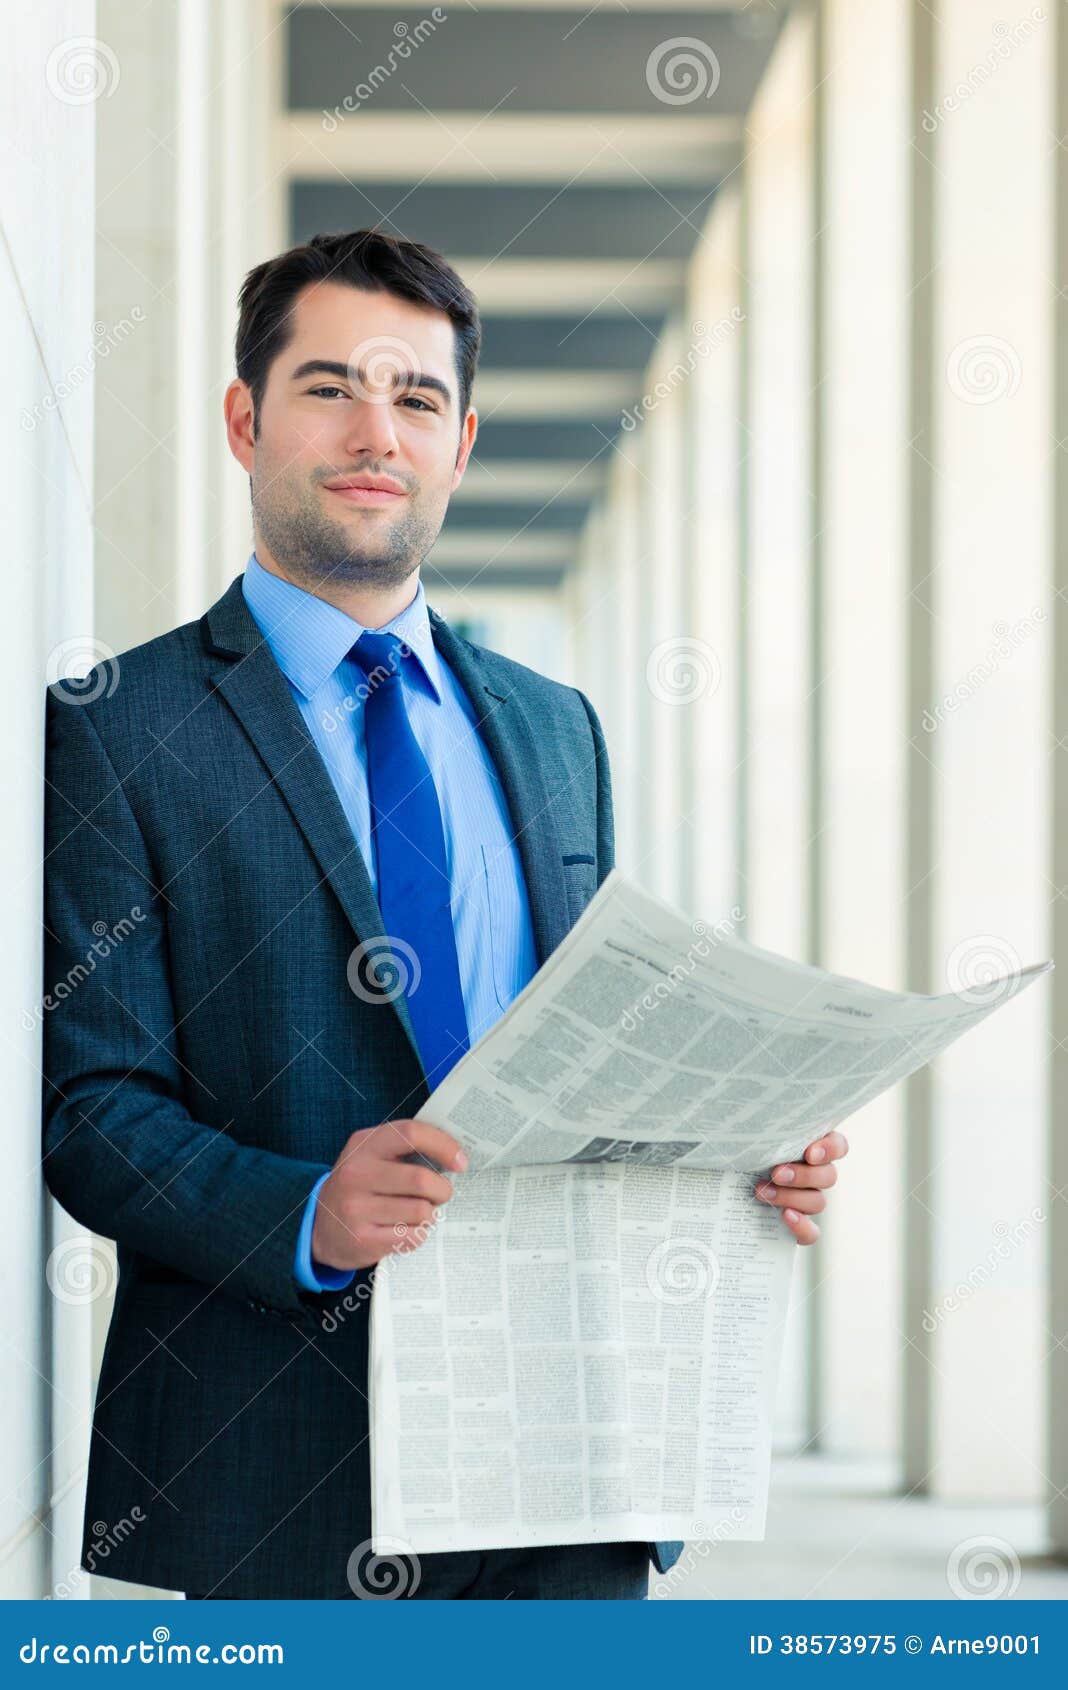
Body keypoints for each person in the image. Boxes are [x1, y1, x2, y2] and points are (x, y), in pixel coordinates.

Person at [42, 228, 849, 1600]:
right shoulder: (123, 730)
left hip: (572, 1454)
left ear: (461, 443)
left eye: (416, 398)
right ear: (245, 419)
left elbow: (598, 1047)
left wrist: (745, 1151)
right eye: (329, 387)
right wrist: (307, 1209)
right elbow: (91, 1107)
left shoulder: (553, 729)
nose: (377, 431)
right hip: (282, 1475)